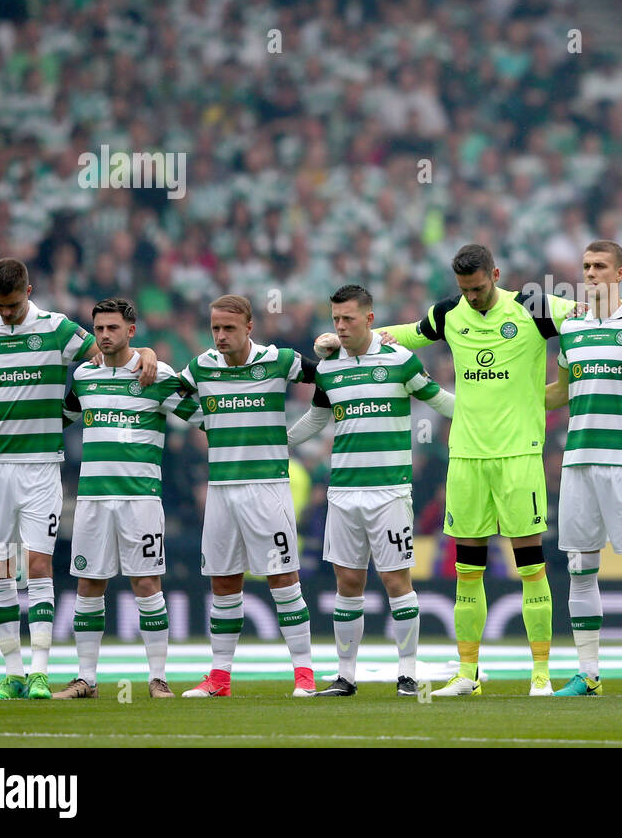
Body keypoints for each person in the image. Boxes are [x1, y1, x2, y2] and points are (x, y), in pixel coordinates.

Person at [376, 244, 582, 696]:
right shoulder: (450, 312)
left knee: (531, 567)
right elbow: (407, 334)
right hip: (466, 456)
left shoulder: (532, 306)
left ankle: (541, 676)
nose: (471, 297)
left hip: (518, 456)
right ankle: (468, 674)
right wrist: (356, 335)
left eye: (478, 288)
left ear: (496, 274)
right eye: (464, 290)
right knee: (467, 571)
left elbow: (586, 314)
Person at [0, 258, 157, 701]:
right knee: (1, 571)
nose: (6, 313)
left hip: (41, 466)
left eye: (13, 304)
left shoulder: (58, 328)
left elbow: (107, 355)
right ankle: (13, 675)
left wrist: (150, 356)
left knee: (39, 565)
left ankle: (41, 673)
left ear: (30, 289)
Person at [289, 284, 454, 697]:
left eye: (348, 319)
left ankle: (408, 673)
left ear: (370, 319)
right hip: (343, 492)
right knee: (347, 582)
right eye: (335, 320)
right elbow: (314, 420)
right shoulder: (328, 368)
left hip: (389, 492)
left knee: (397, 581)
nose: (340, 327)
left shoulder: (400, 361)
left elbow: (441, 402)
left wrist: (490, 412)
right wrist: (275, 441)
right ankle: (346, 676)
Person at [53, 297, 203, 700]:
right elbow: (60, 419)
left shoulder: (156, 374)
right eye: (99, 328)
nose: (104, 335)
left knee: (147, 583)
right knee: (88, 584)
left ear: (131, 331)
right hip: (92, 499)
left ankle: (157, 678)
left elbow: (203, 417)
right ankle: (87, 679)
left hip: (141, 499)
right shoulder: (83, 375)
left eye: (112, 328)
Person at [544, 241, 622, 697]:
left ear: (620, 274)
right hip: (578, 462)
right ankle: (588, 673)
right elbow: (560, 391)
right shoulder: (572, 327)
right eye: (585, 267)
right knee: (580, 568)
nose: (591, 273)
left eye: (600, 267)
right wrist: (499, 402)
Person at [180, 294, 321, 699]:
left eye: (229, 328)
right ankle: (219, 680)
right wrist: (209, 418)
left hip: (268, 488)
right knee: (223, 583)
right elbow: (167, 395)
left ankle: (304, 675)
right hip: (222, 490)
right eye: (215, 329)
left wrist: (302, 430)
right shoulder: (202, 366)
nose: (221, 337)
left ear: (249, 328)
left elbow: (326, 378)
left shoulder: (279, 361)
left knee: (283, 580)